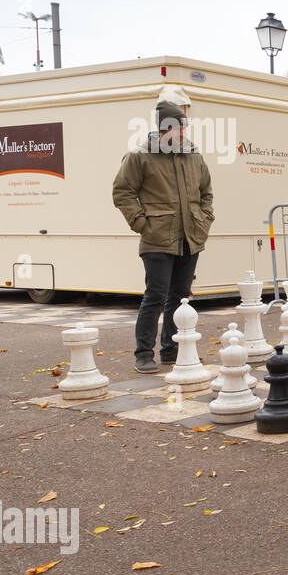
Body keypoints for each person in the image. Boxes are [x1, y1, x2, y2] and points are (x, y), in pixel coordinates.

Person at [112, 100, 214, 373]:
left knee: (180, 297)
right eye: (178, 127)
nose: (183, 132)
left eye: (184, 127)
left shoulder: (194, 156)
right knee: (155, 296)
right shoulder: (139, 156)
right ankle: (144, 354)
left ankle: (171, 349)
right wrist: (141, 223)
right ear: (163, 128)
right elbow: (122, 192)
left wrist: (204, 222)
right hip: (156, 238)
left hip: (190, 238)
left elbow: (207, 194)